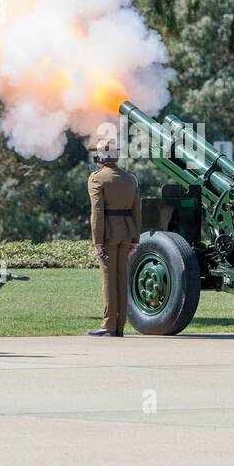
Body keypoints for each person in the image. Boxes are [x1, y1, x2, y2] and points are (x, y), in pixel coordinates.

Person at [87, 136, 140, 337]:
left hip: (108, 234)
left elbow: (97, 212)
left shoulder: (97, 178)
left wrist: (97, 241)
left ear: (101, 157)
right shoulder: (130, 178)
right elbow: (137, 211)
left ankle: (109, 325)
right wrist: (135, 238)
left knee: (109, 279)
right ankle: (120, 326)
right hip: (127, 233)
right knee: (122, 279)